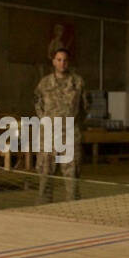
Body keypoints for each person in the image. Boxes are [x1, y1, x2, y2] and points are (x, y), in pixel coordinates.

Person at [34, 48, 86, 200]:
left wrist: (73, 124)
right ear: (53, 61)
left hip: (69, 135)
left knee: (72, 179)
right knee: (45, 177)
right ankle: (44, 212)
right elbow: (37, 103)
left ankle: (73, 213)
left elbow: (84, 107)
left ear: (68, 62)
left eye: (65, 60)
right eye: (59, 59)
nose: (62, 63)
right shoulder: (44, 83)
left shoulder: (77, 83)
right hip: (49, 135)